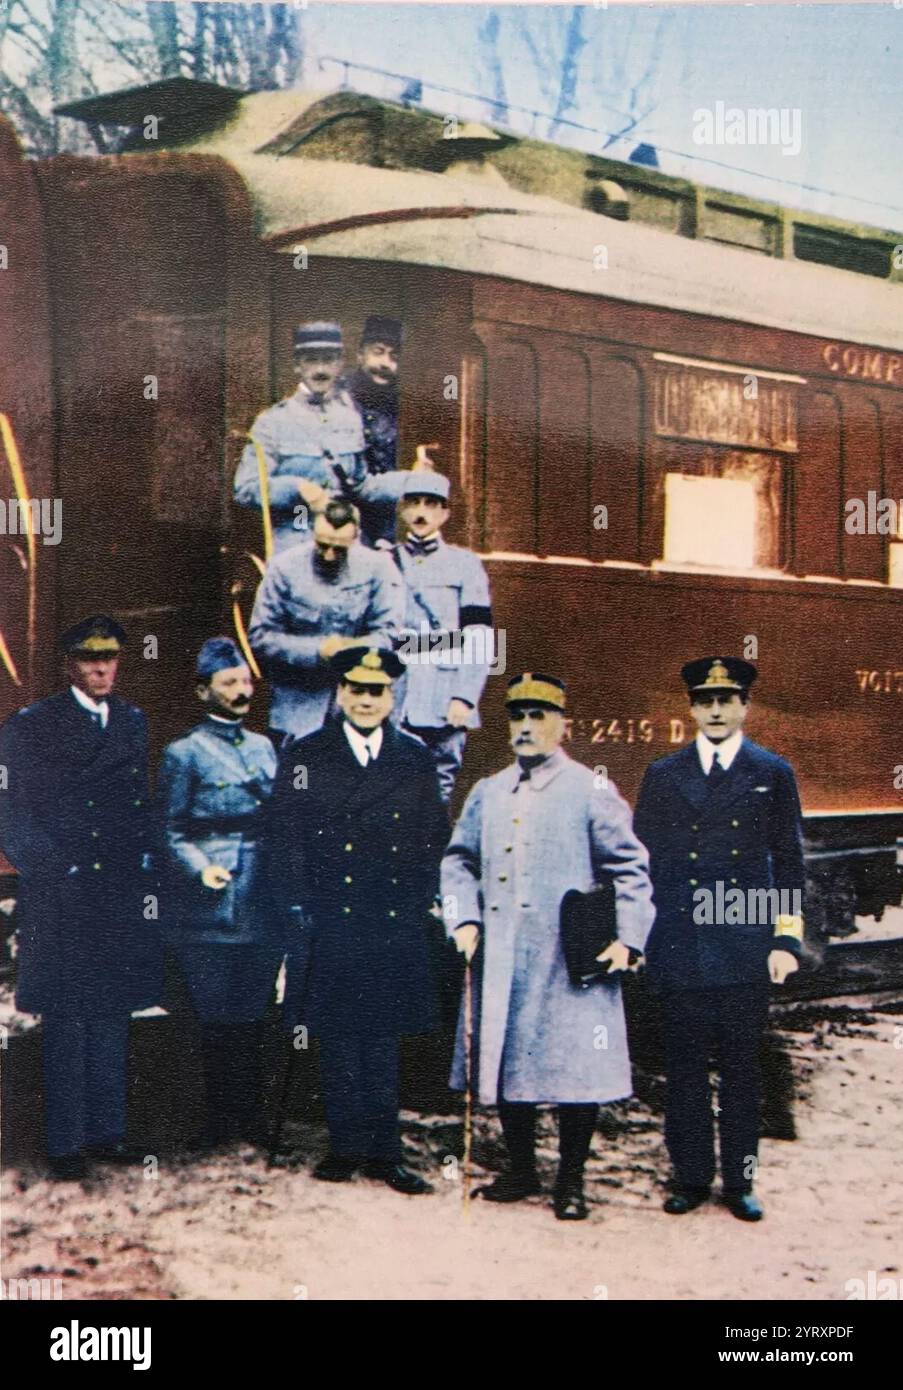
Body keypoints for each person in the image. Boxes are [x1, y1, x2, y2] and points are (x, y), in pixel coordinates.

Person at [441, 673, 654, 1220]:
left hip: (568, 955)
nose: (527, 727)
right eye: (518, 717)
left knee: (571, 1069)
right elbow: (458, 860)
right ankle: (519, 1170)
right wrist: (463, 918)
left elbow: (631, 868)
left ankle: (571, 1182)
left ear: (562, 724)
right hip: (503, 955)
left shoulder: (590, 789)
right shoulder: (488, 791)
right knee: (511, 1061)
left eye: (540, 716)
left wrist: (627, 938)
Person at [267, 645, 448, 1194]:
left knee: (384, 1034)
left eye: (379, 691)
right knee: (341, 1032)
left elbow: (431, 837)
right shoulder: (307, 755)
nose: (368, 700)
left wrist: (421, 901)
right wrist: (296, 906)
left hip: (391, 916)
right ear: (340, 693)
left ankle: (385, 1152)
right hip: (332, 914)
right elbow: (285, 835)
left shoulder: (414, 758)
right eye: (358, 690)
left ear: (393, 697)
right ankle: (345, 1145)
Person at [633, 657, 805, 1223]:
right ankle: (688, 1177)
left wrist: (784, 941)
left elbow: (789, 863)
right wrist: (640, 934)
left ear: (743, 707)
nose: (714, 710)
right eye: (704, 701)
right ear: (691, 708)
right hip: (681, 939)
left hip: (743, 943)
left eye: (725, 701)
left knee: (742, 1072)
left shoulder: (771, 771)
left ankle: (740, 1183)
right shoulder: (663, 774)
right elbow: (644, 862)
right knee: (682, 1070)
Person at [0, 616, 161, 1180]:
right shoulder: (33, 725)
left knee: (112, 1006)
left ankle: (106, 1131)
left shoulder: (132, 721)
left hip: (115, 884)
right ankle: (65, 1140)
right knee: (67, 1013)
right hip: (62, 887)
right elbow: (12, 812)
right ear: (69, 663)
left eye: (111, 658)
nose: (102, 668)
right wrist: (51, 868)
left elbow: (139, 802)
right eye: (91, 658)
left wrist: (145, 865)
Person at [156, 638, 283, 1148]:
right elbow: (169, 829)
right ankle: (214, 1119)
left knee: (253, 1010)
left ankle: (250, 1116)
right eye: (228, 683)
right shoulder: (183, 754)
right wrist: (199, 868)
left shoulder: (265, 749)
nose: (240, 691)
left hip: (261, 894)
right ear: (203, 691)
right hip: (209, 902)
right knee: (211, 1013)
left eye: (246, 682)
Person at [233, 320, 413, 552]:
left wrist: (411, 482)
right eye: (311, 360)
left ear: (339, 364)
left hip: (345, 537)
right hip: (297, 529)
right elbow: (246, 490)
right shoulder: (273, 421)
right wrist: (299, 489)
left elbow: (361, 485)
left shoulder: (349, 418)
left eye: (328, 360)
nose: (320, 370)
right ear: (298, 365)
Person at [248, 498, 404, 743]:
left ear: (357, 537)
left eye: (339, 549)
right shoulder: (284, 568)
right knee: (301, 777)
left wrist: (351, 649)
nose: (329, 556)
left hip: (360, 698)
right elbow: (260, 635)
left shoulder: (379, 567)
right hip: (298, 704)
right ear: (312, 532)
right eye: (322, 545)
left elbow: (389, 632)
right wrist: (316, 650)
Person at [393, 471, 493, 802]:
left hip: (443, 696)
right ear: (403, 510)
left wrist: (465, 696)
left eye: (432, 504)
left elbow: (479, 635)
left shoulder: (465, 565)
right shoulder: (385, 562)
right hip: (396, 695)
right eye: (414, 503)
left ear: (445, 513)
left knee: (438, 793)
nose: (422, 512)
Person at [347, 315, 402, 546]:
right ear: (360, 355)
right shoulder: (337, 400)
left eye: (394, 356)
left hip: (392, 519)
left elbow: (451, 388)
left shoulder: (406, 405)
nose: (385, 363)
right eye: (378, 352)